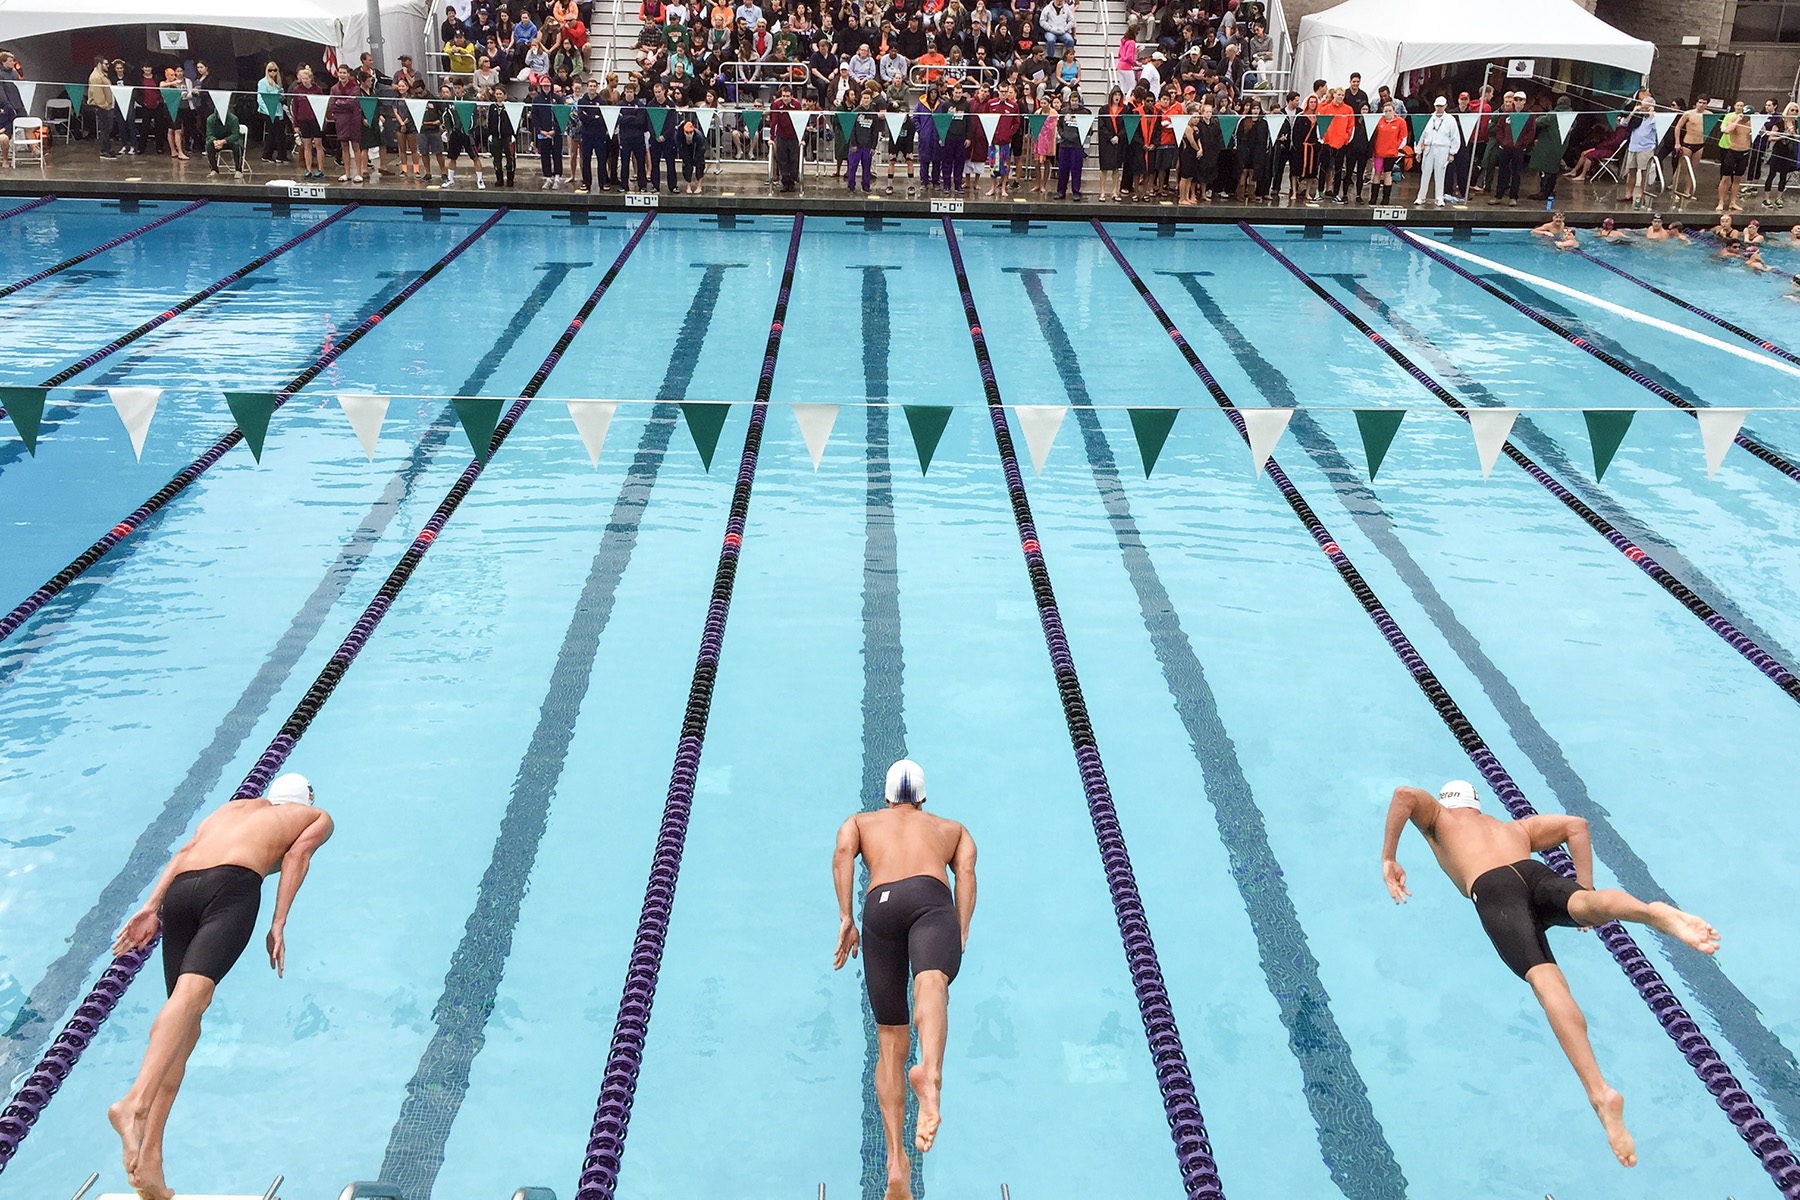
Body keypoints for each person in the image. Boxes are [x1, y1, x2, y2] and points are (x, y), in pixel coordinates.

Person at [1382, 781, 1718, 1169]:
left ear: (1447, 803)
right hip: (1534, 872)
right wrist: (1584, 885)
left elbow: (1405, 795)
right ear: (1477, 805)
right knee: (1587, 904)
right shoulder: (1514, 829)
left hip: (1494, 890)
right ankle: (1651, 912)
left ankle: (1600, 1093)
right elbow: (1577, 824)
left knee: (1548, 983)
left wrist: (1389, 857)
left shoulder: (1439, 818)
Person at [108, 773, 334, 1200]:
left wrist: (150, 906)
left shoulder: (229, 811)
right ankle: (134, 1105)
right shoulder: (315, 815)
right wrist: (279, 922)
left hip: (181, 892)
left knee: (185, 1022)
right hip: (231, 888)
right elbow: (297, 857)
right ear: (306, 799)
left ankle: (150, 1163)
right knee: (195, 996)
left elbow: (185, 852)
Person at [833, 761, 976, 1200]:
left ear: (888, 797)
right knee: (931, 984)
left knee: (890, 1041)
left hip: (879, 906)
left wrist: (846, 918)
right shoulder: (951, 830)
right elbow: (965, 875)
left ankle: (896, 1162)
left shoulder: (860, 822)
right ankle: (930, 1076)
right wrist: (960, 931)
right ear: (924, 798)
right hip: (930, 901)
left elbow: (842, 854)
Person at [1415, 95, 1457, 208]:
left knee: (1440, 173)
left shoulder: (1450, 120)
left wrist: (1452, 152)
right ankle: (1421, 196)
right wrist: (1418, 151)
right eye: (1437, 106)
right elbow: (1422, 135)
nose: (1439, 108)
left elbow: (1455, 137)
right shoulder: (1429, 118)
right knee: (1425, 172)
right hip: (1429, 148)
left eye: (1441, 106)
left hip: (1443, 148)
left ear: (1445, 106)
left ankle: (1439, 197)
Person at [328, 63, 367, 181]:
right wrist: (341, 103)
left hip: (353, 119)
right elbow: (331, 105)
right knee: (344, 146)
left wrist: (339, 102)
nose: (342, 75)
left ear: (349, 74)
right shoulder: (334, 88)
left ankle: (358, 173)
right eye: (340, 72)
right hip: (340, 121)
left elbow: (352, 103)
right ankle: (347, 173)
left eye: (344, 73)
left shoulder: (355, 87)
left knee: (355, 146)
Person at [1620, 89, 1657, 210]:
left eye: (1647, 108)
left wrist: (1651, 113)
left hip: (1646, 147)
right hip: (1633, 146)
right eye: (1643, 107)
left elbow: (1655, 126)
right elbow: (1624, 123)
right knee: (1631, 171)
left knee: (1643, 172)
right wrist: (1634, 112)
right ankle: (1629, 193)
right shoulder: (1637, 117)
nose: (1644, 110)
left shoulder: (1654, 118)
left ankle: (1641, 194)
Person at [1672, 94, 1708, 201]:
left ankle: (1687, 191)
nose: (1701, 105)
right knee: (1682, 168)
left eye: (1704, 103)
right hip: (1688, 143)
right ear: (1696, 103)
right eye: (1700, 102)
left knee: (1692, 169)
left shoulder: (1709, 115)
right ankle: (1674, 191)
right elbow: (1678, 127)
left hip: (1700, 144)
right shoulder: (1688, 114)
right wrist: (1677, 142)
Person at [1717, 101, 1751, 214]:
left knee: (1737, 179)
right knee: (1725, 178)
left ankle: (1733, 202)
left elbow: (1761, 132)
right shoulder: (1733, 119)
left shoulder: (1751, 123)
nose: (1746, 119)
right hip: (1732, 152)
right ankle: (1721, 202)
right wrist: (1737, 120)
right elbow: (1727, 130)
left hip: (1744, 153)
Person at [1763, 102, 1798, 210]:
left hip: (1789, 151)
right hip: (1778, 151)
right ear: (1787, 110)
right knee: (1772, 174)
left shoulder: (1796, 123)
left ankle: (1779, 197)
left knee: (1784, 176)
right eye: (1792, 110)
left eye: (1796, 111)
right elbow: (1771, 137)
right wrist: (1781, 136)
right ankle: (1767, 198)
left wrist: (1793, 134)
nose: (1794, 112)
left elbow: (1797, 137)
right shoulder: (1779, 122)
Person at [203, 106, 246, 175]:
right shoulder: (210, 119)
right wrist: (214, 141)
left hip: (231, 141)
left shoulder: (234, 119)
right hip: (217, 141)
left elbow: (235, 135)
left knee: (237, 145)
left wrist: (223, 141)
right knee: (209, 145)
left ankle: (238, 170)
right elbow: (209, 134)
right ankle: (214, 169)